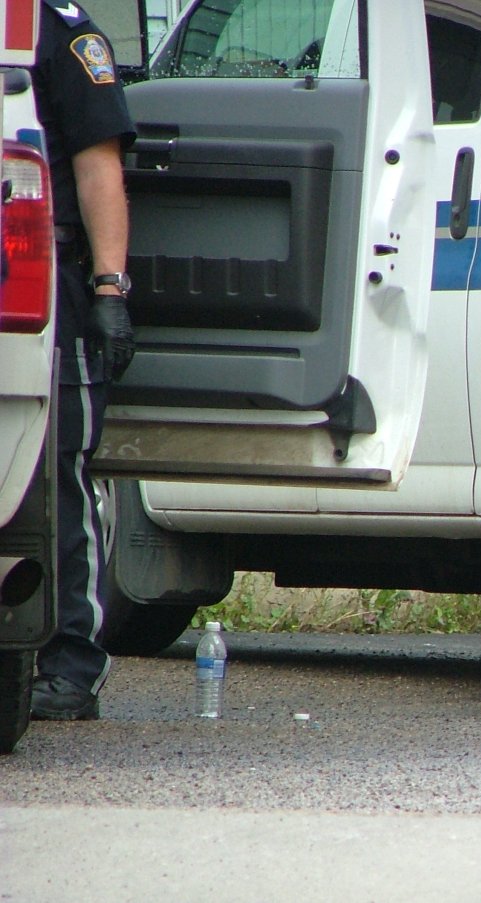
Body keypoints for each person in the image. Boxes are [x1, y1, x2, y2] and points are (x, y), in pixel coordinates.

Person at [29, 0, 137, 720]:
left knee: (56, 466)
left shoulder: (58, 33)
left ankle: (72, 660)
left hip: (46, 277)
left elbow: (97, 168)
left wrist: (108, 286)